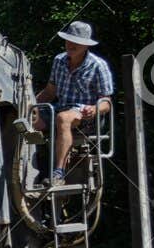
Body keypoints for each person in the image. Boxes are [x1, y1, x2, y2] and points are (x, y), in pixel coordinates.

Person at [33, 20, 113, 184]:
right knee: (30, 118)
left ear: (86, 46)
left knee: (63, 118)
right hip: (60, 109)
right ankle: (30, 170)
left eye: (76, 42)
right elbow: (49, 92)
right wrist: (30, 105)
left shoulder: (98, 66)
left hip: (86, 116)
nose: (71, 44)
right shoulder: (59, 61)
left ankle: (58, 173)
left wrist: (95, 109)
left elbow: (106, 102)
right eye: (69, 40)